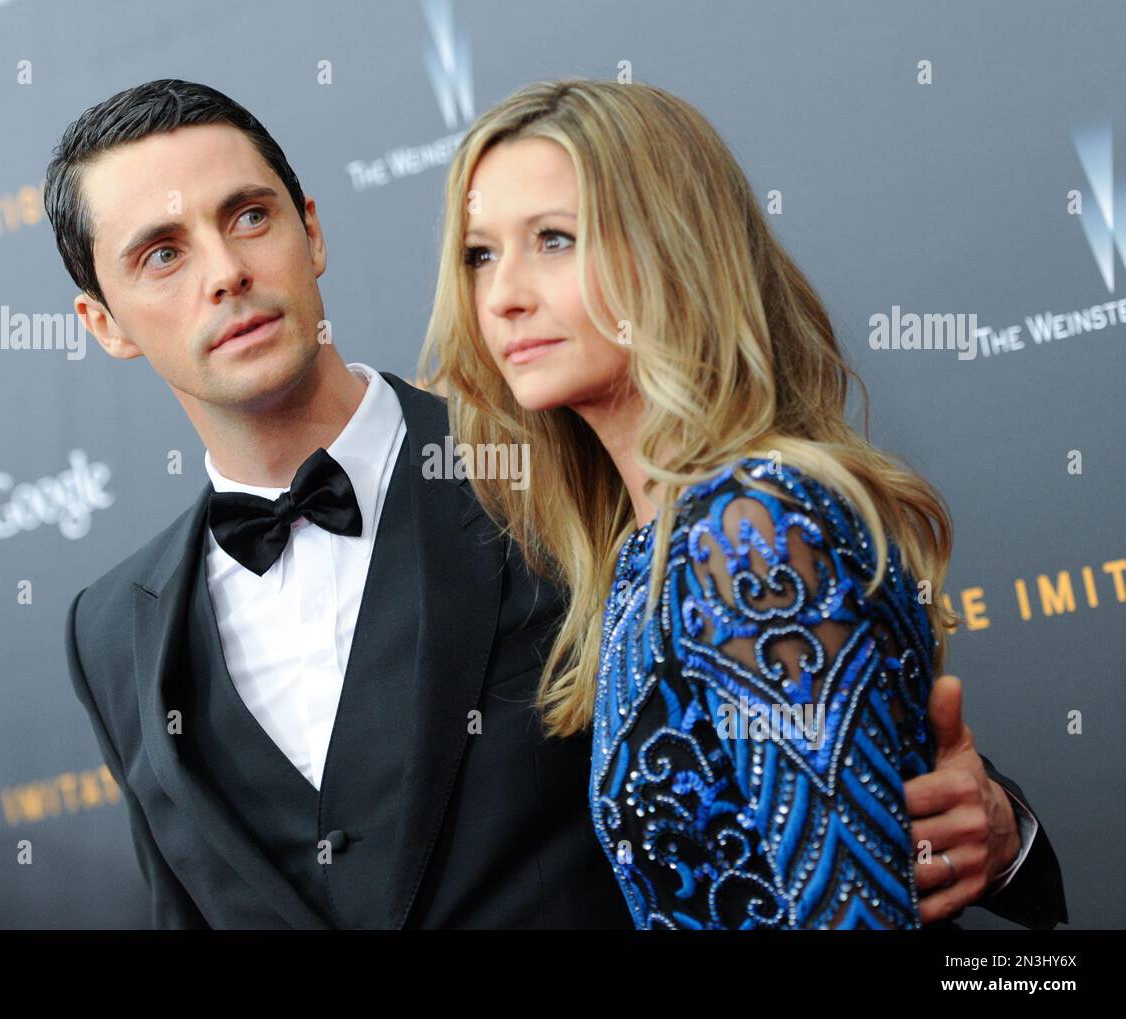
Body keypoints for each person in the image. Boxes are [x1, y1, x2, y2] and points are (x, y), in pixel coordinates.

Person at [48, 78, 1063, 928]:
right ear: (104, 323)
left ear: (311, 232)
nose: (225, 272)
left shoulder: (567, 465)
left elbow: (839, 765)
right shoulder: (109, 630)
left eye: (249, 216)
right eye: (163, 253)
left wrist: (998, 831)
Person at [418, 78, 1066, 928]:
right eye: (479, 253)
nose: (502, 295)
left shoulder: (747, 526)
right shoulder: (643, 547)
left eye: (554, 239)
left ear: (674, 251)